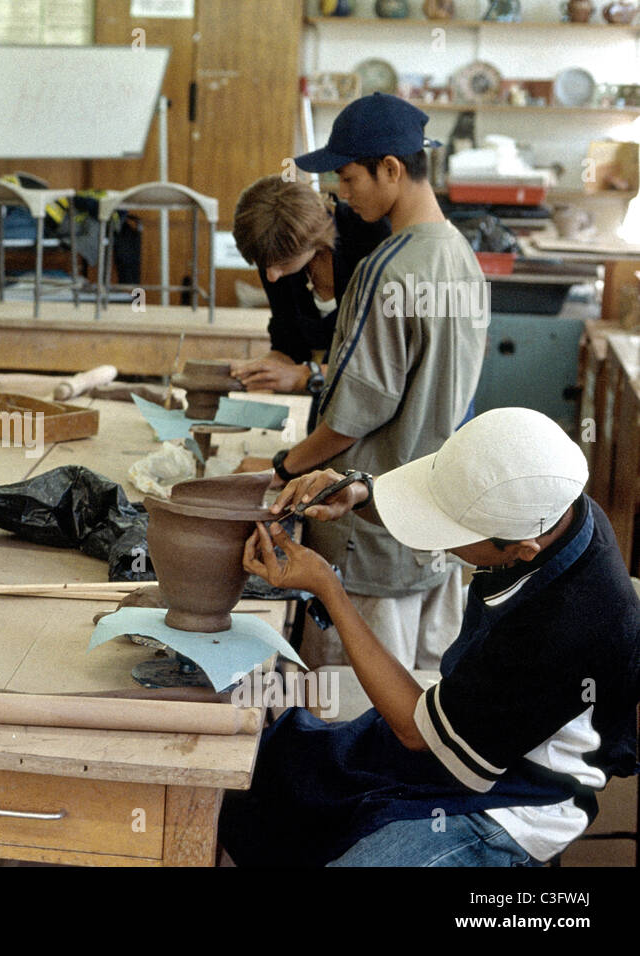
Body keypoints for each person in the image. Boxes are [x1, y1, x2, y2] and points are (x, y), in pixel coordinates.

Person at [223, 407, 640, 866]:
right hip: (475, 718)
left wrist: (329, 588)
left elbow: (418, 732)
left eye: (450, 534)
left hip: (520, 798)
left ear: (522, 551)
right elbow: (449, 503)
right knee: (261, 779)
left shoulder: (567, 626)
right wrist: (359, 493)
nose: (439, 539)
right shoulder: (553, 500)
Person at [261, 94, 486, 670]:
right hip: (437, 521)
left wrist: (284, 468)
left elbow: (354, 414)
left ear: (391, 168)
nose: (341, 191)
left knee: (352, 720)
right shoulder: (462, 258)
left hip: (370, 531)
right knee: (425, 712)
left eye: (348, 174)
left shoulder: (388, 268)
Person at [229, 175, 389, 434]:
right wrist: (260, 371)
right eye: (262, 264)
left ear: (311, 239)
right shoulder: (274, 255)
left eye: (281, 262)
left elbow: (382, 363)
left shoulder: (370, 238)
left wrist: (306, 375)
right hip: (331, 403)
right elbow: (289, 343)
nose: (271, 276)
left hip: (381, 408)